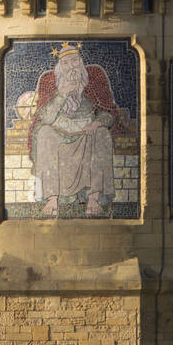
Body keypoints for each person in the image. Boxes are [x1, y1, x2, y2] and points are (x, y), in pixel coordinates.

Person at [29, 43, 125, 216]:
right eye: (65, 63)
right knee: (44, 133)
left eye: (74, 61)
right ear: (59, 69)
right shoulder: (50, 84)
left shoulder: (93, 82)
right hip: (59, 136)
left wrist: (97, 123)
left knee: (102, 134)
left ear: (80, 63)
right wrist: (62, 94)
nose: (71, 67)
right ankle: (52, 199)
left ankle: (93, 199)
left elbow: (109, 114)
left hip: (86, 134)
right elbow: (45, 118)